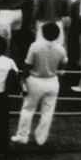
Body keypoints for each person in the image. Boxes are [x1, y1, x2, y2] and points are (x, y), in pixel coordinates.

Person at [12, 21, 66, 149]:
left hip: (35, 80)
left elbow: (27, 65)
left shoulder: (35, 46)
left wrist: (23, 79)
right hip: (52, 81)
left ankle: (22, 136)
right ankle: (41, 138)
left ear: (42, 33)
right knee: (47, 112)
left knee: (28, 109)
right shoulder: (60, 48)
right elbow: (64, 64)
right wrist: (58, 74)